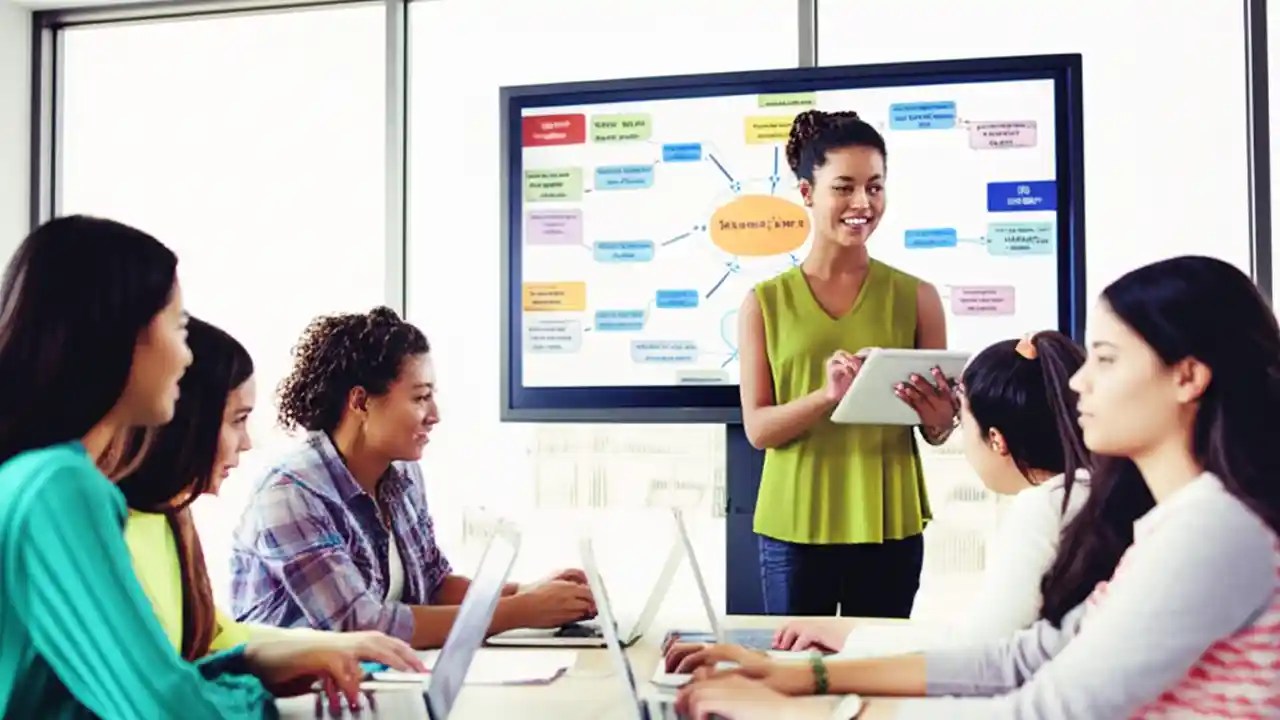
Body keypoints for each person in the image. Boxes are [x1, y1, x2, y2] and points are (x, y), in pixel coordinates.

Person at [674, 255, 1280, 719]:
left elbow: (1043, 711)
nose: (1077, 385)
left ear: (1188, 377)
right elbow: (1023, 657)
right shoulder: (1180, 521)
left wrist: (786, 711)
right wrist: (807, 679)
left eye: (1106, 359)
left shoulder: (1216, 532)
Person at [0, 216, 422, 719]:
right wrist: (257, 696)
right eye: (177, 328)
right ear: (124, 335)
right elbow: (168, 709)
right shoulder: (62, 488)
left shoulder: (36, 480)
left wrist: (252, 668)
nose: (184, 358)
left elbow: (145, 683)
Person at [230, 306, 597, 649]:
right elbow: (358, 626)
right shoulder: (291, 495)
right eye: (420, 397)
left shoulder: (401, 474)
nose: (434, 414)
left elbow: (434, 585)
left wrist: (527, 592)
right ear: (360, 403)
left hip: (373, 683)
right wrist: (520, 611)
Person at [742, 109, 959, 618]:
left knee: (874, 672)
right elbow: (758, 429)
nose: (863, 203)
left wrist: (938, 419)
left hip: (889, 524)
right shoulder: (765, 303)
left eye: (875, 187)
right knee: (797, 677)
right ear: (806, 193)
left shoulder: (918, 297)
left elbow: (937, 431)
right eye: (844, 187)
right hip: (794, 528)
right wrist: (826, 396)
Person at [119, 316, 330, 660]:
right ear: (189, 419)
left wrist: (349, 648)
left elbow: (222, 636)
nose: (246, 443)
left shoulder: (171, 516)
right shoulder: (114, 527)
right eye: (237, 420)